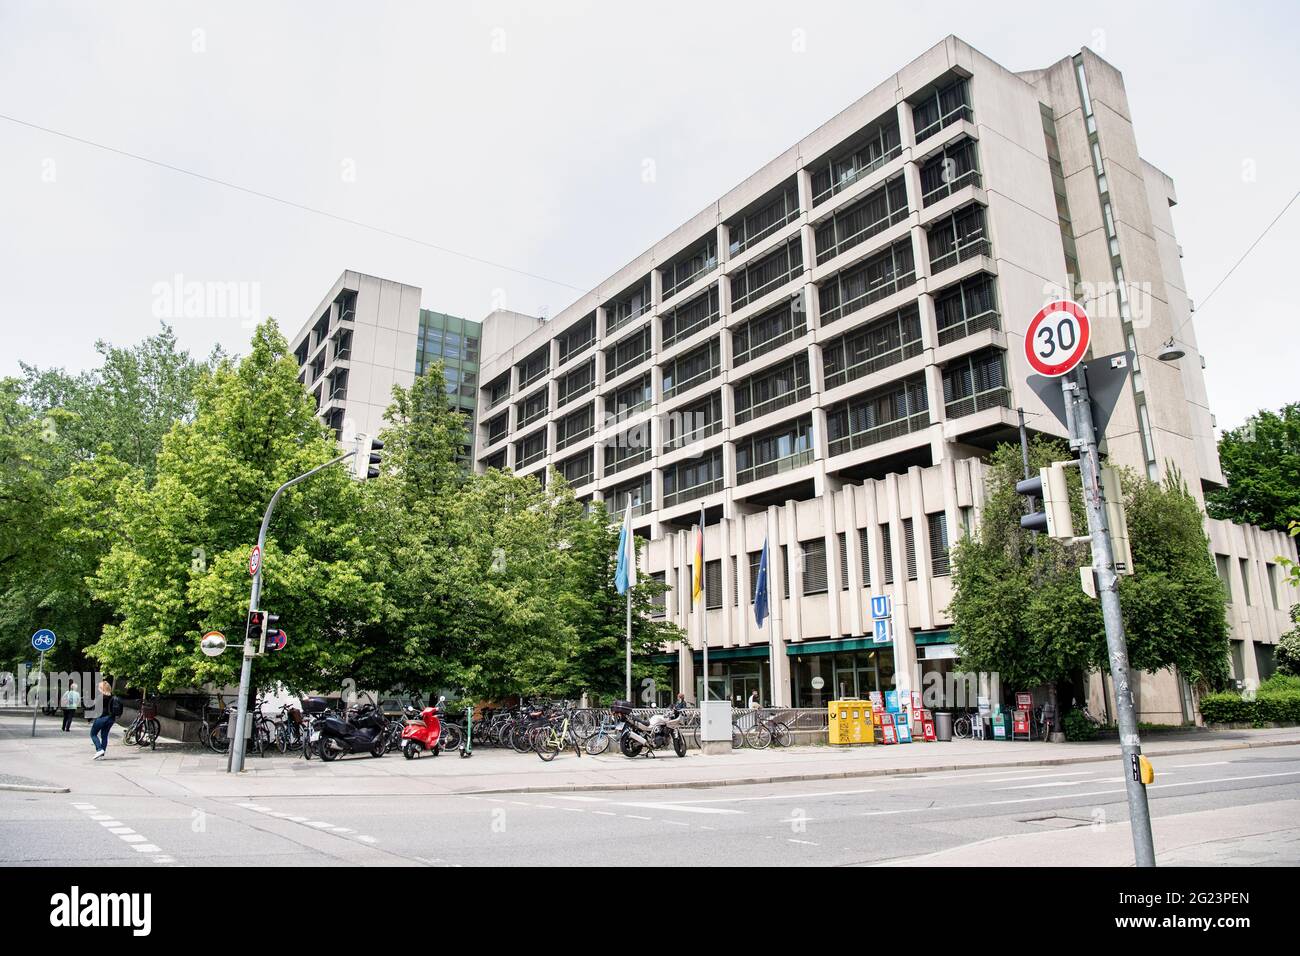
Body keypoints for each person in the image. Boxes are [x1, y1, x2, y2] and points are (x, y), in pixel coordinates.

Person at [89, 679, 121, 759]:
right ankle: (102, 753)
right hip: (111, 719)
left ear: (101, 689)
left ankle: (99, 749)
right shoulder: (113, 696)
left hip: (102, 718)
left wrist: (89, 718)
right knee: (104, 735)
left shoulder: (100, 697)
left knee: (93, 734)